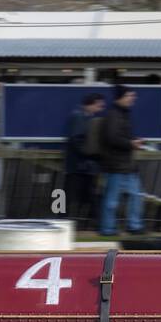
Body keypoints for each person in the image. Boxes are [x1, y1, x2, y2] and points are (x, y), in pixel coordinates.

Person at [99, 85, 146, 236]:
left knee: (136, 196)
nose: (133, 98)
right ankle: (108, 228)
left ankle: (134, 226)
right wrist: (131, 143)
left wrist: (132, 140)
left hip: (126, 165)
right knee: (112, 200)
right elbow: (112, 138)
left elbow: (118, 136)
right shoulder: (114, 115)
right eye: (130, 96)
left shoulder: (122, 114)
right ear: (121, 97)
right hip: (115, 165)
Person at [64, 92, 103, 225]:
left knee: (83, 194)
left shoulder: (84, 117)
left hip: (81, 164)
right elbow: (77, 140)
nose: (100, 108)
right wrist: (90, 154)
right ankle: (62, 219)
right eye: (98, 105)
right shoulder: (80, 117)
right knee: (73, 194)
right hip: (80, 164)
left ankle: (64, 219)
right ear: (89, 104)